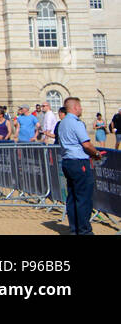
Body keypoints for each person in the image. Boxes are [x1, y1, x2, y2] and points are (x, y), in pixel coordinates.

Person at [58, 97, 107, 234]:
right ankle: (84, 230)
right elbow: (86, 144)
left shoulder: (62, 123)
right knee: (83, 198)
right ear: (75, 107)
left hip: (68, 161)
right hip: (79, 162)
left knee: (72, 197)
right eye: (80, 106)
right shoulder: (76, 123)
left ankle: (75, 229)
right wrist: (96, 153)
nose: (81, 109)